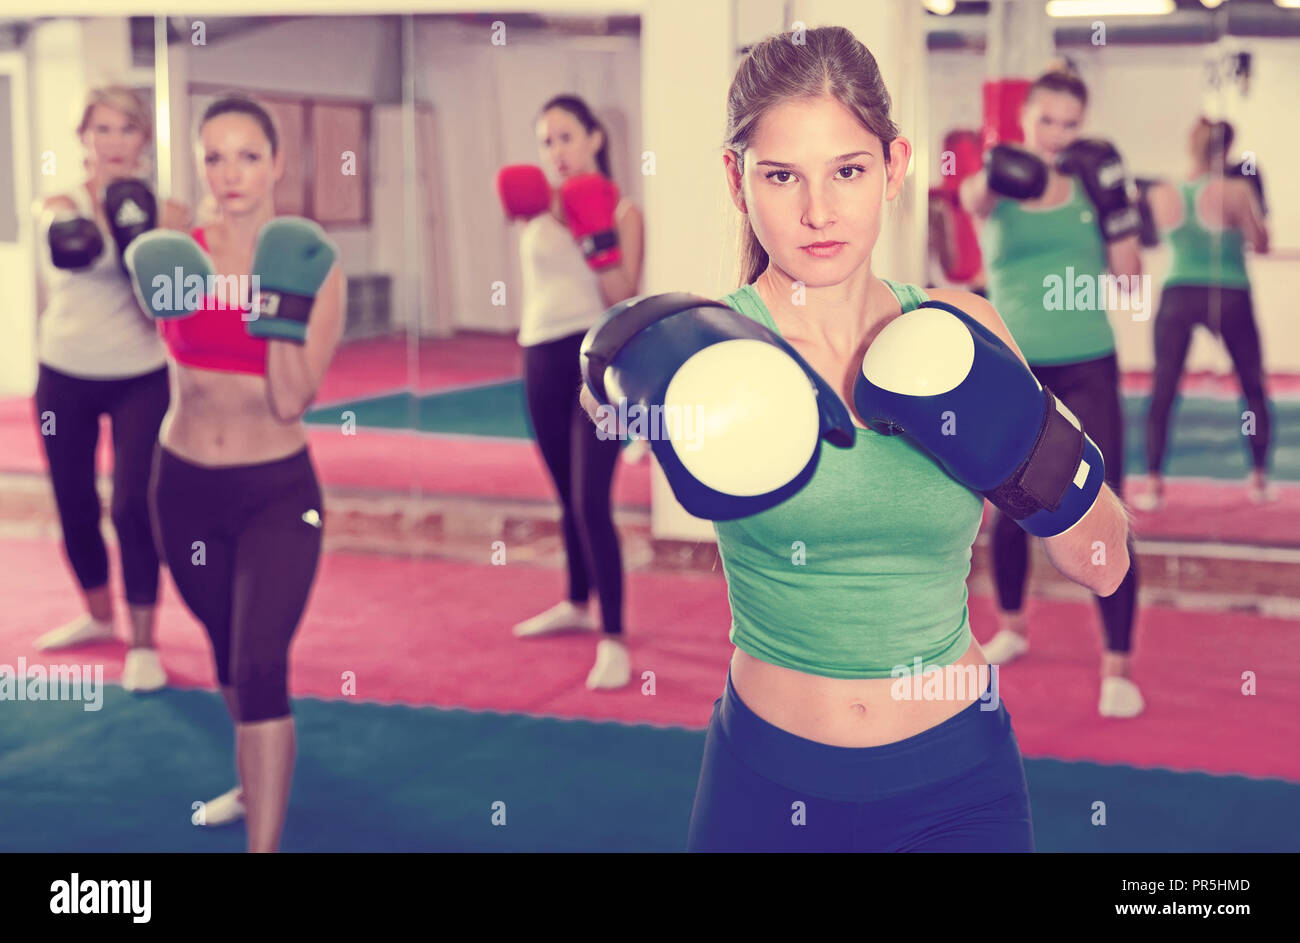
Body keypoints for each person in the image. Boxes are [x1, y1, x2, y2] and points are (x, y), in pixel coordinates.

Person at [583, 26, 1131, 852]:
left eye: (848, 170)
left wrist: (1027, 448)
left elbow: (1104, 561)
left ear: (896, 167)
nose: (817, 211)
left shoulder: (961, 326)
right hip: (764, 787)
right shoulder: (716, 353)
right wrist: (620, 395)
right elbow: (610, 409)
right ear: (738, 181)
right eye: (782, 176)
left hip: (959, 785)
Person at [135, 95, 344, 852]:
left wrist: (278, 301)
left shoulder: (314, 267)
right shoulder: (176, 254)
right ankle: (252, 776)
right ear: (198, 165)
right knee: (227, 651)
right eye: (214, 157)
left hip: (276, 493)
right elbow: (169, 367)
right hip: (184, 487)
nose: (231, 173)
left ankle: (264, 843)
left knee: (259, 660)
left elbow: (291, 398)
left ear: (277, 164)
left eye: (248, 155)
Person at [960, 64, 1145, 718]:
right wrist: (998, 173)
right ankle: (1012, 625)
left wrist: (1119, 211)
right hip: (1016, 368)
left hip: (1088, 363)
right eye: (1046, 121)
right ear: (1025, 117)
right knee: (1010, 503)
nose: (1056, 135)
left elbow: (1129, 281)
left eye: (1069, 124)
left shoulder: (1091, 184)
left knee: (1104, 508)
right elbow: (972, 198)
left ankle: (1118, 666)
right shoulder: (999, 181)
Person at [32, 86, 189, 693]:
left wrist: (147, 244)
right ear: (83, 139)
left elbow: (171, 310)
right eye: (102, 130)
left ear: (144, 140)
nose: (114, 142)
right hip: (63, 372)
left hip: (140, 376)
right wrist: (108, 231)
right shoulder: (55, 204)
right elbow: (67, 247)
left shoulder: (170, 213)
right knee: (72, 499)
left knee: (131, 505)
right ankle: (99, 616)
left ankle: (144, 641)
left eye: (127, 129)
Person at [498, 95, 644, 690]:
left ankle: (613, 639)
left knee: (591, 501)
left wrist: (593, 231)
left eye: (565, 137)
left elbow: (623, 293)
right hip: (539, 354)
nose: (556, 151)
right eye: (546, 141)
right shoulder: (533, 210)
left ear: (594, 140)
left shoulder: (625, 208)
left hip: (599, 360)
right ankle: (576, 602)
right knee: (564, 494)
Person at [1139, 118, 1272, 508]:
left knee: (1163, 388)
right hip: (1229, 291)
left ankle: (1152, 485)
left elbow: (1152, 238)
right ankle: (1259, 480)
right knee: (1253, 386)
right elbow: (1261, 244)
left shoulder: (1164, 191)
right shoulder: (1238, 189)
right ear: (1227, 148)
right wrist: (1254, 211)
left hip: (1179, 292)